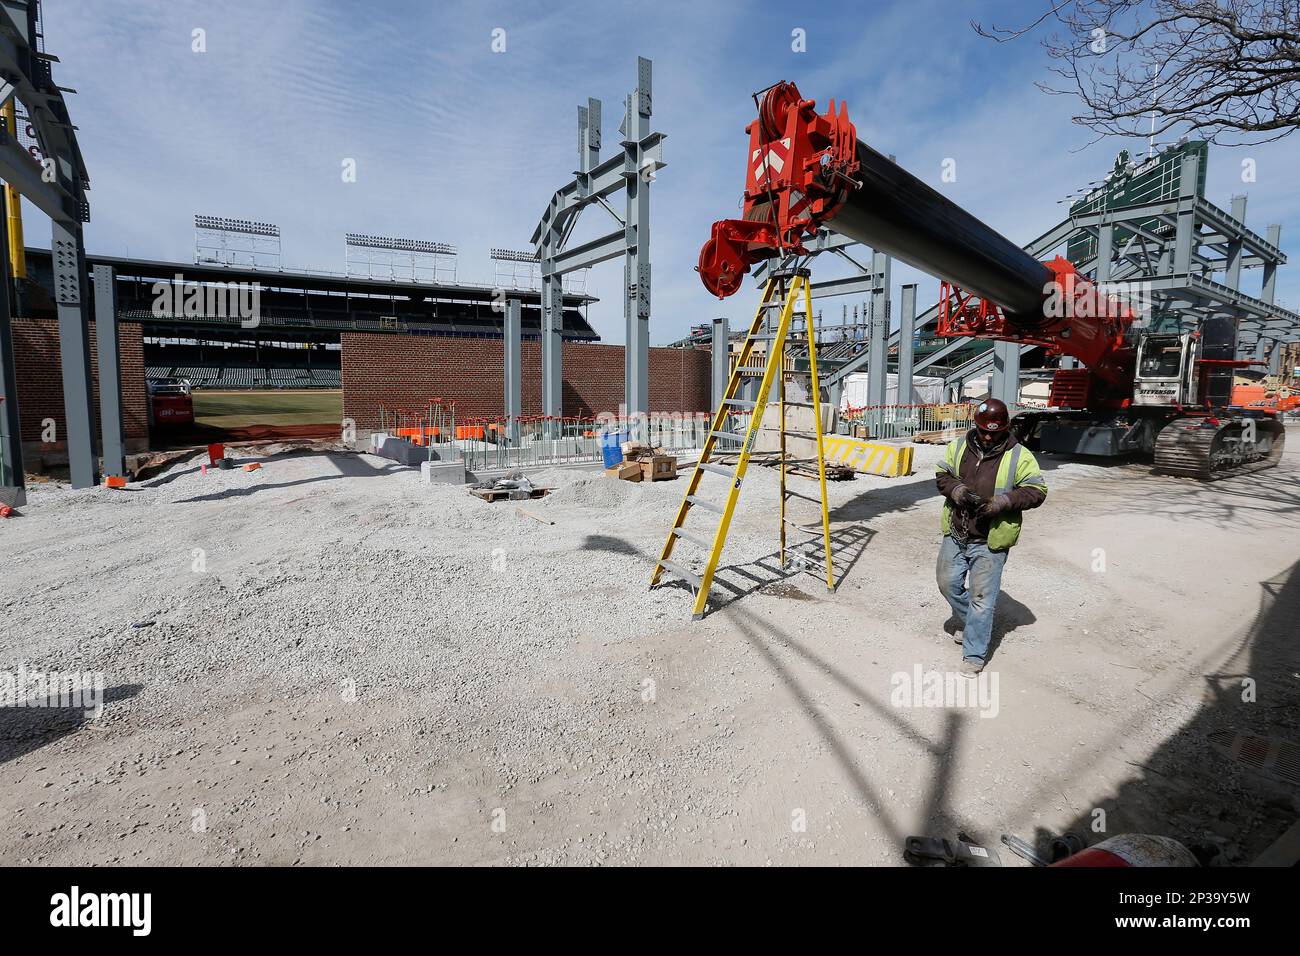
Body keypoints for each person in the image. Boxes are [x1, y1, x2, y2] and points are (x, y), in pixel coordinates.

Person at [934, 398, 1047, 676]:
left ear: (1004, 428)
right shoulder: (960, 446)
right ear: (976, 425)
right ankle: (970, 620)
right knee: (947, 583)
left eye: (994, 432)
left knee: (982, 599)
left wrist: (1001, 502)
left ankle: (973, 654)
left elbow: (1037, 490)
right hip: (958, 531)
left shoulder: (1019, 455)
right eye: (984, 431)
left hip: (990, 540)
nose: (987, 436)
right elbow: (942, 475)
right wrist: (958, 491)